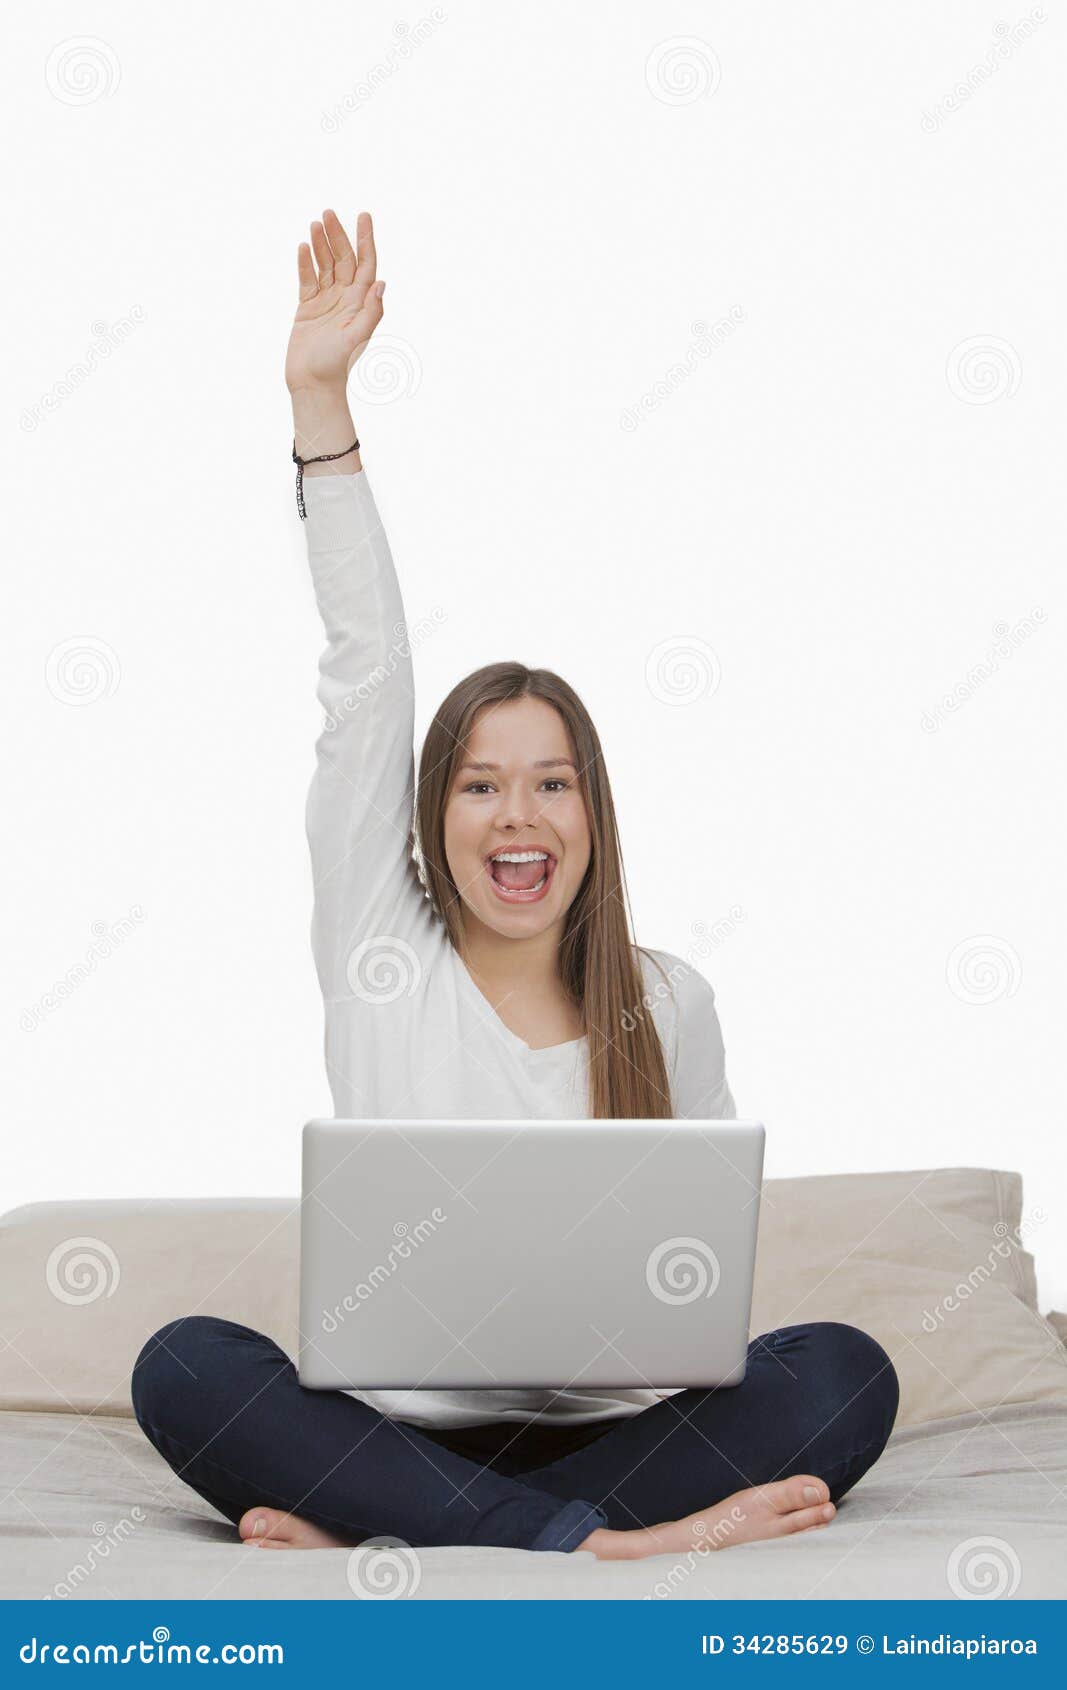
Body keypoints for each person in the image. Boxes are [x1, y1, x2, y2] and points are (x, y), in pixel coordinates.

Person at [132, 209, 898, 1559]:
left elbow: (701, 1295)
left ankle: (435, 1531)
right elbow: (367, 677)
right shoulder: (381, 950)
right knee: (185, 1364)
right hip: (402, 1432)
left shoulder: (670, 1000)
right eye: (480, 784)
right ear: (430, 818)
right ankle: (597, 1544)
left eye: (551, 782)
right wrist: (322, 409)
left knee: (845, 1370)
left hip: (625, 1434)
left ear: (593, 815)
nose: (518, 816)